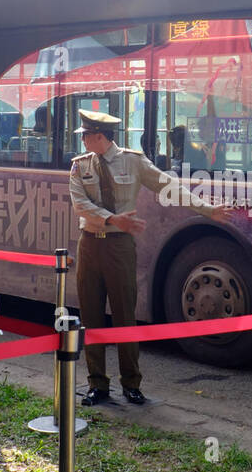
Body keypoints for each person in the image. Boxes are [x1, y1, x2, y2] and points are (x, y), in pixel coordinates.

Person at [69, 109, 229, 406]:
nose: (84, 141)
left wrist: (207, 209)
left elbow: (169, 185)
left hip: (120, 248)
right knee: (90, 317)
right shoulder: (80, 166)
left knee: (124, 317)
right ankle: (97, 384)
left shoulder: (133, 161)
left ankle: (131, 383)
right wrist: (112, 219)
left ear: (99, 137)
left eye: (87, 136)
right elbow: (80, 204)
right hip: (90, 244)